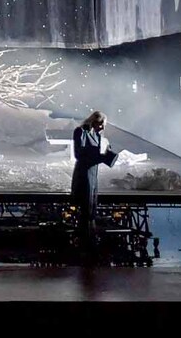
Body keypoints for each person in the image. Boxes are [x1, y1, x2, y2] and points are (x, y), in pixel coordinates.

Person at [70, 110, 119, 258]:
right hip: (84, 173)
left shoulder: (97, 136)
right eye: (101, 125)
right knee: (85, 209)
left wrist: (106, 154)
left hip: (92, 174)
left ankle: (90, 241)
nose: (102, 128)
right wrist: (100, 157)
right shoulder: (81, 132)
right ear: (94, 121)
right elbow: (79, 154)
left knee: (91, 209)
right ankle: (85, 243)